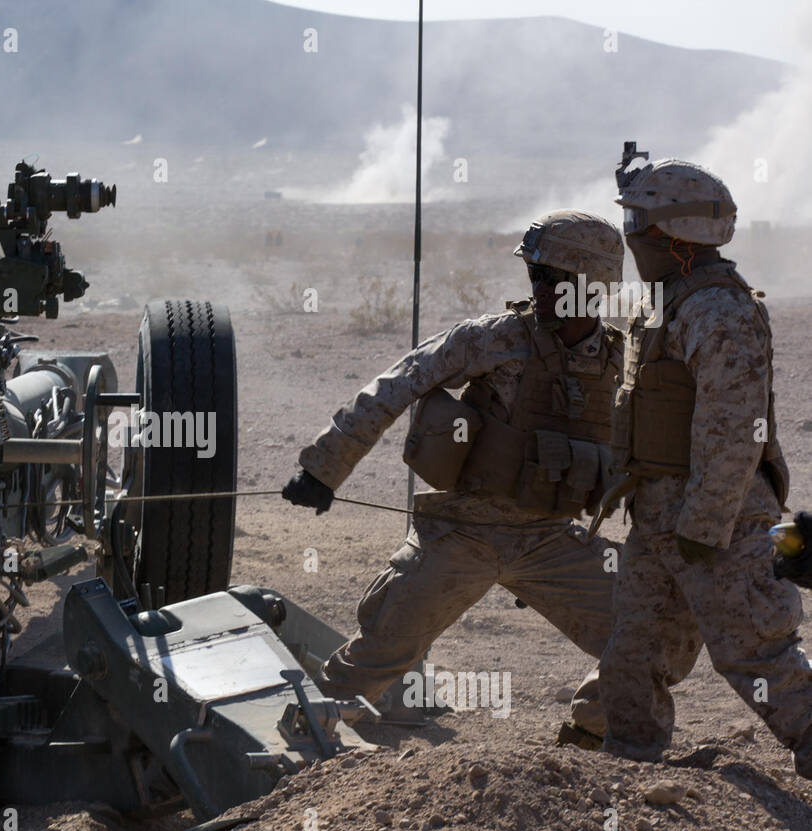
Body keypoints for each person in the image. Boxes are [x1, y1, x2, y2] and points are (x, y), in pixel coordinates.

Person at [283, 209, 695, 742]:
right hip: (462, 533)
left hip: (551, 540)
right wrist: (323, 467)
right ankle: (301, 752)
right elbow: (398, 383)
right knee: (375, 657)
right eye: (536, 277)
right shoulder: (495, 339)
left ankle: (595, 729)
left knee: (658, 633)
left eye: (555, 279)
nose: (541, 289)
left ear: (594, 288)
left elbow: (660, 452)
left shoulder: (623, 361)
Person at [597, 149, 812, 777]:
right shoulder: (666, 302)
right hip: (660, 522)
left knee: (757, 655)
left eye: (639, 223)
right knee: (632, 658)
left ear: (675, 234)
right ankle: (630, 770)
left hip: (720, 526)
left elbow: (733, 433)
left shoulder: (719, 311)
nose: (632, 237)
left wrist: (704, 526)